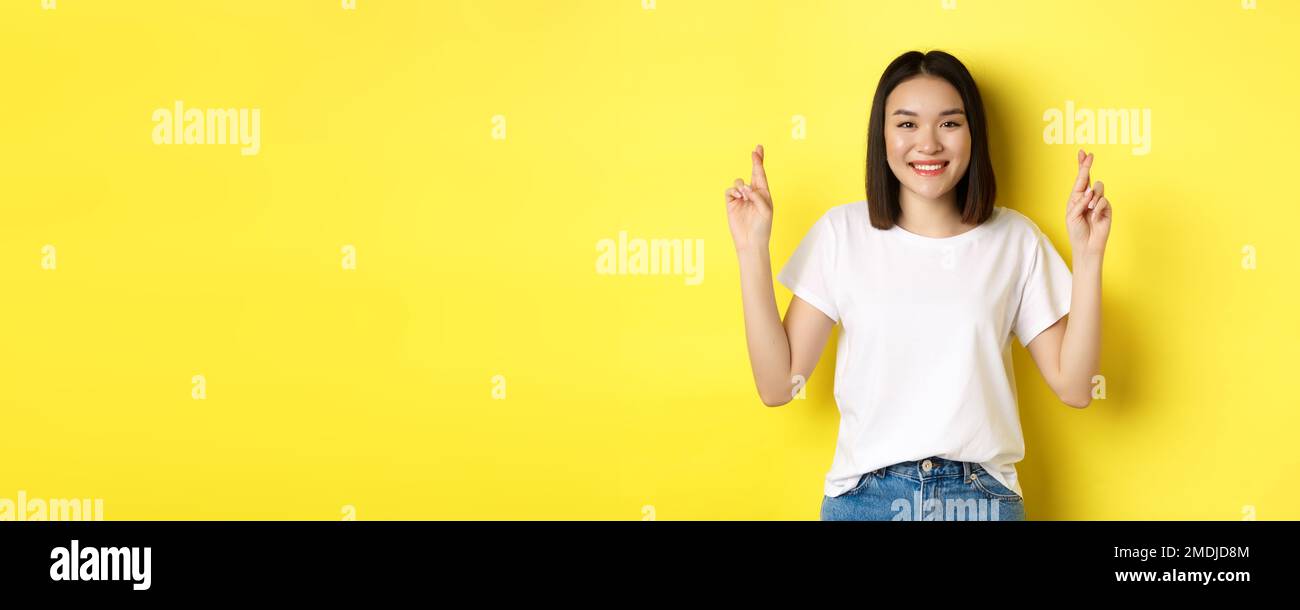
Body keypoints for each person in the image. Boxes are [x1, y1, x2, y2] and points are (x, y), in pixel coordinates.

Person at [723, 49, 1112, 521]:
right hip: (864, 501)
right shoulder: (840, 234)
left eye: (949, 123)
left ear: (973, 136)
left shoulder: (1015, 239)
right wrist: (751, 249)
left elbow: (1075, 387)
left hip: (980, 502)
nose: (928, 143)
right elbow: (778, 385)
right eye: (906, 124)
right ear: (881, 136)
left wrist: (1089, 257)